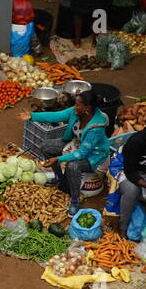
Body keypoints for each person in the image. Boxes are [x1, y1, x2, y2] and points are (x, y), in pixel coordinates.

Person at [30, 89, 111, 217]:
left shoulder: (96, 128)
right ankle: (60, 178)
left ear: (87, 108)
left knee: (73, 166)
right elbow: (57, 116)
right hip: (77, 144)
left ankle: (75, 199)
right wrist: (31, 116)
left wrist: (58, 159)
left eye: (78, 104)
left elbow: (82, 153)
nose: (75, 107)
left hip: (95, 156)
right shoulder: (76, 112)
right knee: (46, 146)